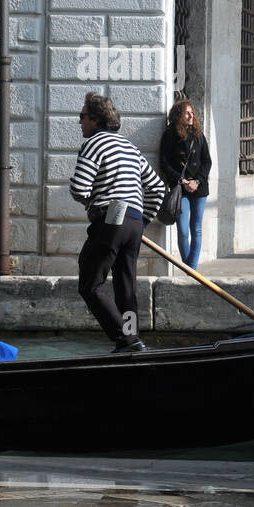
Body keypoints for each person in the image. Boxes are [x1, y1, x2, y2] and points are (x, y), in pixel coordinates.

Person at [70, 92, 166, 354]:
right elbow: (158, 188)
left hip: (112, 217)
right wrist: (142, 220)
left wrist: (91, 203)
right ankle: (132, 338)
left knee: (90, 283)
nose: (79, 122)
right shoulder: (129, 146)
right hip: (134, 221)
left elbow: (79, 187)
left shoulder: (93, 144)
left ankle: (127, 339)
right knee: (126, 287)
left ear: (96, 120)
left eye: (82, 117)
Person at [159, 98, 212, 270]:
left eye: (192, 113)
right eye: (186, 112)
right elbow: (164, 163)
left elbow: (207, 162)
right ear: (178, 115)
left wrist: (197, 181)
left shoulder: (198, 135)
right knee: (182, 230)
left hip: (199, 188)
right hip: (180, 189)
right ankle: (189, 267)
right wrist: (182, 181)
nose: (190, 116)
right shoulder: (169, 136)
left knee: (196, 228)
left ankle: (192, 269)